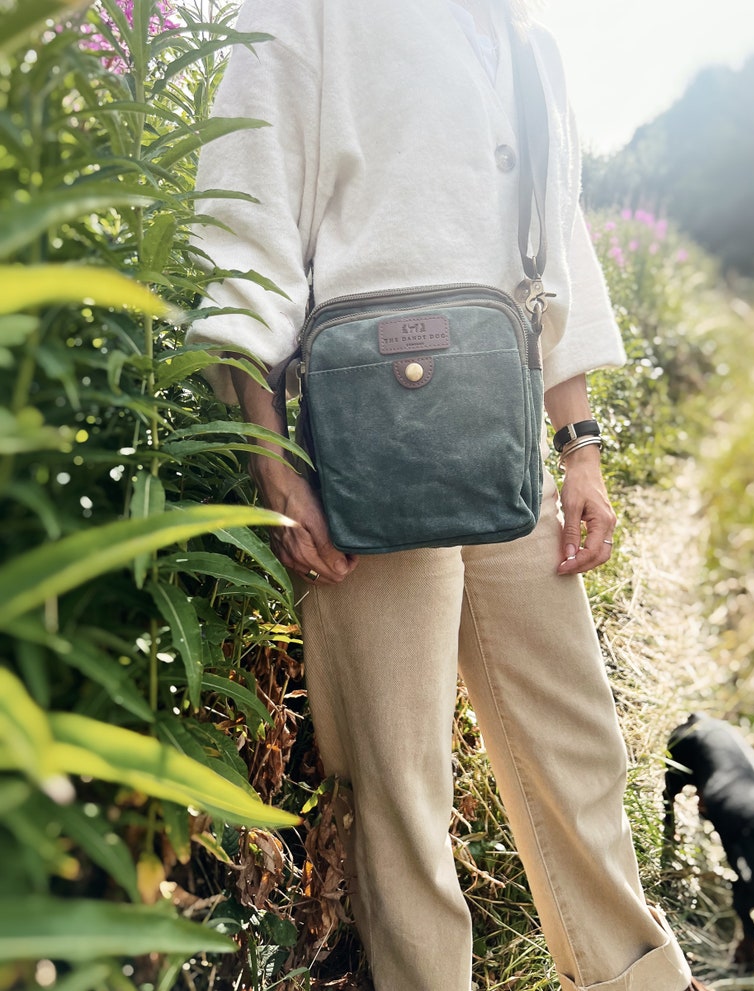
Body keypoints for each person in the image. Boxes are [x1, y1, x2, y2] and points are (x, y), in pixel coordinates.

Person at [187, 1, 710, 989]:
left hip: (504, 446)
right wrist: (271, 460)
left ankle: (640, 979)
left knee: (577, 742)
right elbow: (238, 228)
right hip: (356, 455)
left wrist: (582, 445)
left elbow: (554, 258)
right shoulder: (308, 14)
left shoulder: (526, 45)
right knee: (401, 785)